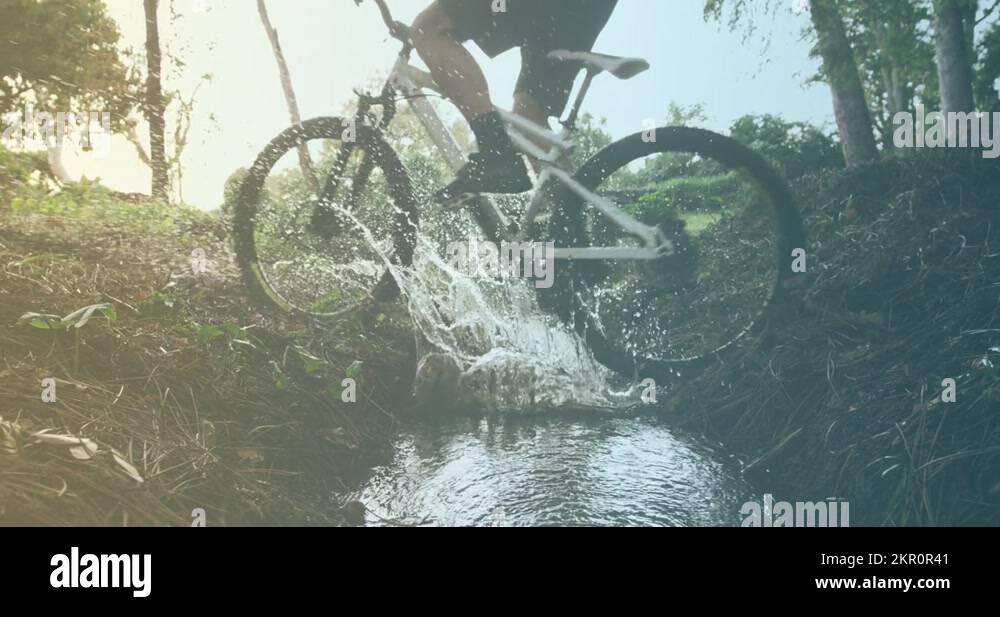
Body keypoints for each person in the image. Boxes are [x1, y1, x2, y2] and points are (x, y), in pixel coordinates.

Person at [410, 0, 619, 203]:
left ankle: (497, 154)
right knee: (528, 122)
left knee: (427, 28)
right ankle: (572, 219)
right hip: (581, 12)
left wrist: (430, 34)